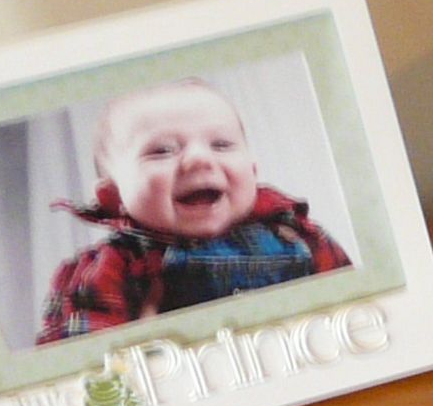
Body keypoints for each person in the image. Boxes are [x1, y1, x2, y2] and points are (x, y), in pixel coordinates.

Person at [36, 77, 351, 343]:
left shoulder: (297, 236)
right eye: (162, 151)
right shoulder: (109, 267)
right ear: (113, 196)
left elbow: (359, 308)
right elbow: (84, 376)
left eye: (221, 144)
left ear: (253, 172)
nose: (200, 159)